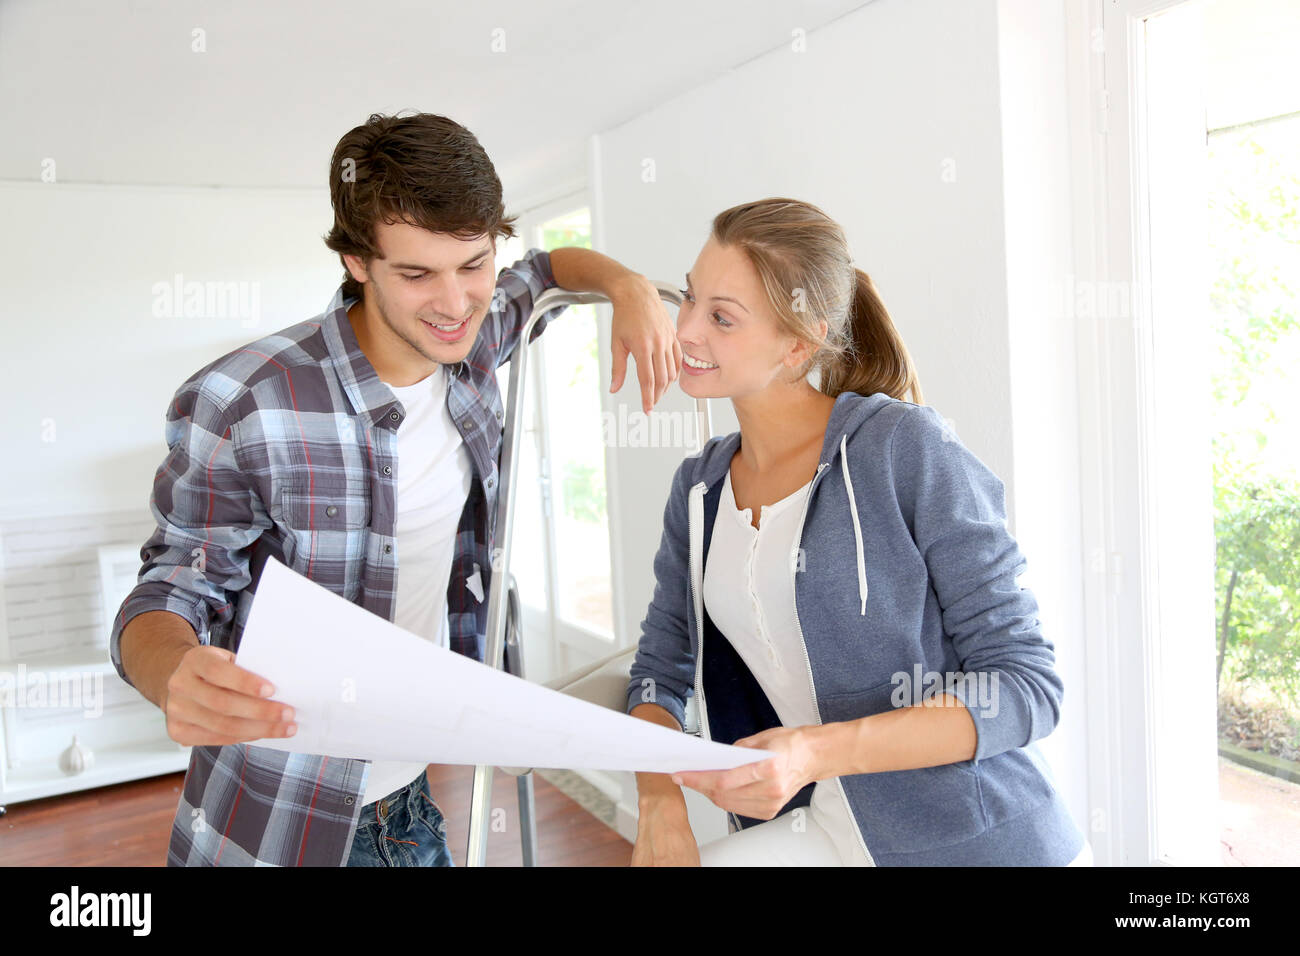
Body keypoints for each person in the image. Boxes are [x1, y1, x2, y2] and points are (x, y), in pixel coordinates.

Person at [109, 112, 681, 867]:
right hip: (278, 818)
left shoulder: (474, 342)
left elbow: (544, 270)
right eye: (416, 275)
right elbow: (169, 588)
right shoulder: (245, 400)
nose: (454, 302)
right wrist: (171, 671)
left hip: (409, 801)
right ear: (356, 260)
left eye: (474, 264)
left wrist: (625, 285)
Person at [626, 197, 1090, 866]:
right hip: (832, 827)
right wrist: (658, 803)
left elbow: (1026, 685)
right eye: (691, 299)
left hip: (978, 841)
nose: (686, 331)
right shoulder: (698, 490)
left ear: (799, 343)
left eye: (722, 317)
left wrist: (815, 752)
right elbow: (659, 670)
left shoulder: (905, 451)